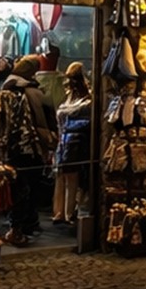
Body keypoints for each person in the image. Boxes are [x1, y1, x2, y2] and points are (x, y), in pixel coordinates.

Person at [2, 54, 57, 246]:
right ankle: (25, 223)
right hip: (33, 144)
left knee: (18, 184)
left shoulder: (7, 90)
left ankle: (20, 223)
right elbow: (48, 118)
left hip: (13, 145)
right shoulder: (34, 91)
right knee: (30, 184)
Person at [51, 63, 93, 225]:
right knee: (63, 177)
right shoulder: (76, 100)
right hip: (65, 140)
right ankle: (62, 212)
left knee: (69, 177)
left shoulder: (85, 101)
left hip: (73, 142)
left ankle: (66, 212)